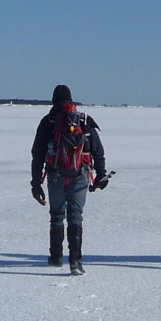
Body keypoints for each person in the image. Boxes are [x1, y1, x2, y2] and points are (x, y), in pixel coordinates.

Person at [30, 85, 109, 274]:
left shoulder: (48, 121)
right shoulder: (84, 120)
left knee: (57, 214)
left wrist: (35, 183)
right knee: (75, 215)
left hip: (56, 173)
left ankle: (56, 258)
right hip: (81, 172)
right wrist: (101, 174)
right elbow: (97, 150)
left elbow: (38, 154)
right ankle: (75, 261)